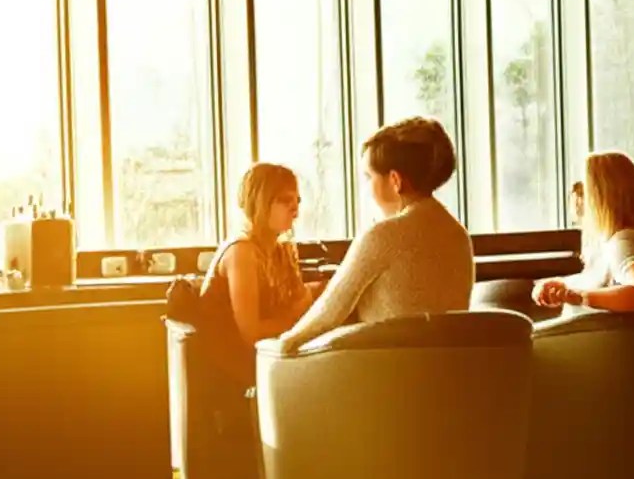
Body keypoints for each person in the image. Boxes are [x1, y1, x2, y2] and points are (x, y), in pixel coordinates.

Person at [277, 117, 473, 354]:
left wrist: (277, 347)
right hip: (447, 376)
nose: (367, 187)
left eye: (369, 177)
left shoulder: (383, 235)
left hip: (388, 377)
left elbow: (327, 314)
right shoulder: (458, 234)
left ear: (395, 181)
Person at [199, 163, 319, 384]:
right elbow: (251, 333)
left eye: (297, 202)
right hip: (233, 368)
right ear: (260, 202)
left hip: (268, 356)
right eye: (285, 201)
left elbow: (296, 301)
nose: (295, 210)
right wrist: (299, 314)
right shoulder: (241, 251)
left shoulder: (282, 247)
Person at [532, 151, 634, 313]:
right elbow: (603, 284)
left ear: (602, 196)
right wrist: (564, 285)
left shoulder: (624, 242)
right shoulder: (615, 243)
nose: (574, 194)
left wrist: (579, 297)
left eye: (583, 187)